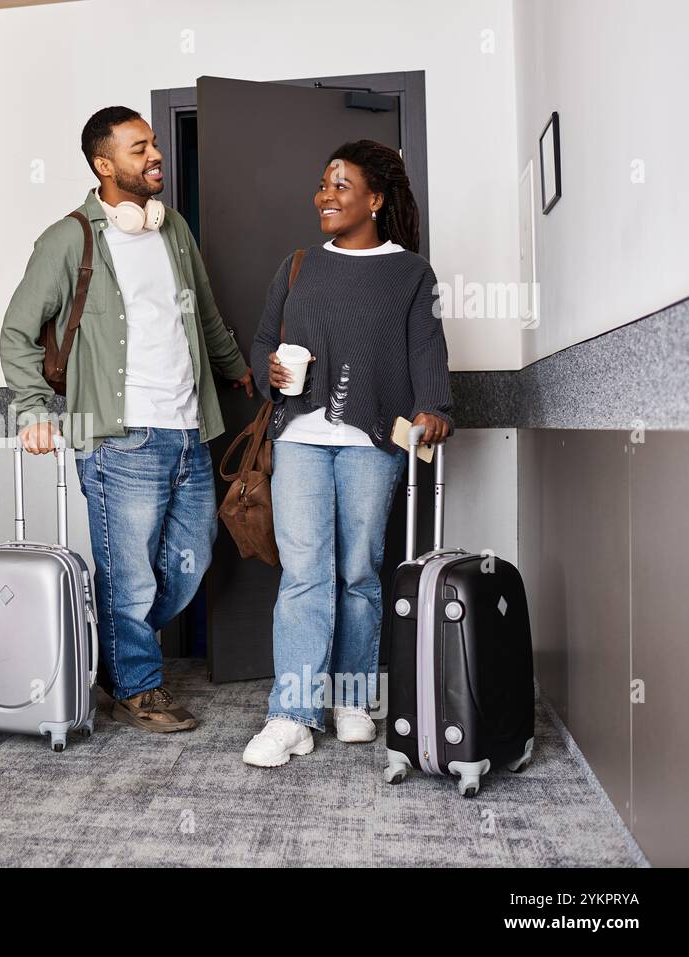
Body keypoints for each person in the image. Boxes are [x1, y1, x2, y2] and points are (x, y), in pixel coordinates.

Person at [0, 105, 254, 733]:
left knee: (191, 557)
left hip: (190, 428)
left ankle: (109, 649)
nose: (155, 156)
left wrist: (236, 367)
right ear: (104, 165)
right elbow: (17, 332)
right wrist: (33, 409)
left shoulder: (174, 231)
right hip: (118, 437)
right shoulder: (69, 239)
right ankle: (139, 686)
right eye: (139, 149)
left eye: (154, 145)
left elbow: (205, 312)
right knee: (129, 573)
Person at [242, 139, 454, 767]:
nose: (325, 196)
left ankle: (354, 701)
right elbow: (262, 344)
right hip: (301, 437)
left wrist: (436, 407)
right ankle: (292, 715)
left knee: (359, 573)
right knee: (305, 574)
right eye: (323, 184)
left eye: (340, 186)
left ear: (376, 199)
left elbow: (426, 350)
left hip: (373, 439)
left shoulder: (411, 272)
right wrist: (272, 372)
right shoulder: (299, 264)